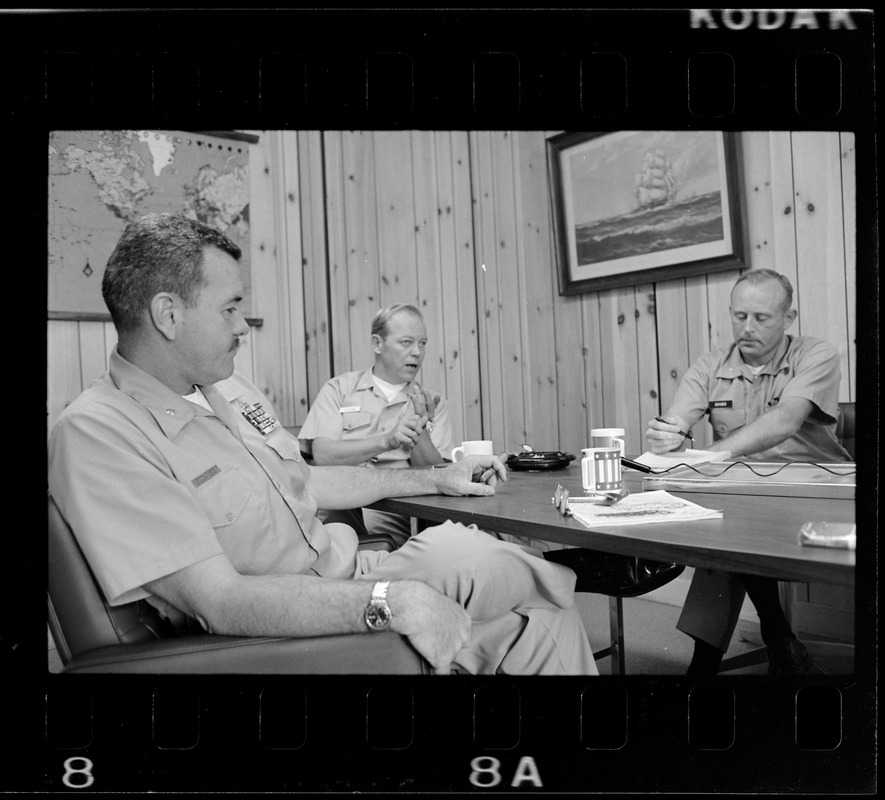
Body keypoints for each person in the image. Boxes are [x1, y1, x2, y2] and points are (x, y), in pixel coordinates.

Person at [47, 213, 598, 676]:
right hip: (292, 626)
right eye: (230, 307)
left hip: (348, 569)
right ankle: (572, 580)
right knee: (544, 618)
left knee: (493, 564)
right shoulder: (99, 433)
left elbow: (303, 478)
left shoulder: (224, 386)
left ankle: (568, 574)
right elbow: (219, 601)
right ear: (169, 315)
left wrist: (432, 478)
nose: (243, 326)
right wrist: (391, 602)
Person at [645, 269, 852, 676]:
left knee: (727, 536)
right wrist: (666, 435)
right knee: (724, 533)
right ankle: (779, 643)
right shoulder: (709, 366)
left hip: (817, 487)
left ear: (788, 318)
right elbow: (676, 421)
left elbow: (785, 422)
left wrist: (706, 456)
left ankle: (708, 666)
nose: (747, 328)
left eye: (762, 317)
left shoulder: (817, 354)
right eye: (739, 316)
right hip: (742, 491)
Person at [298, 303, 453, 548]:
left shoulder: (432, 403)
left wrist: (420, 431)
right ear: (377, 344)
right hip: (339, 509)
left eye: (422, 343)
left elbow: (439, 476)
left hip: (394, 513)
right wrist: (386, 441)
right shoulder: (338, 390)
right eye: (406, 342)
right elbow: (323, 455)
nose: (417, 352)